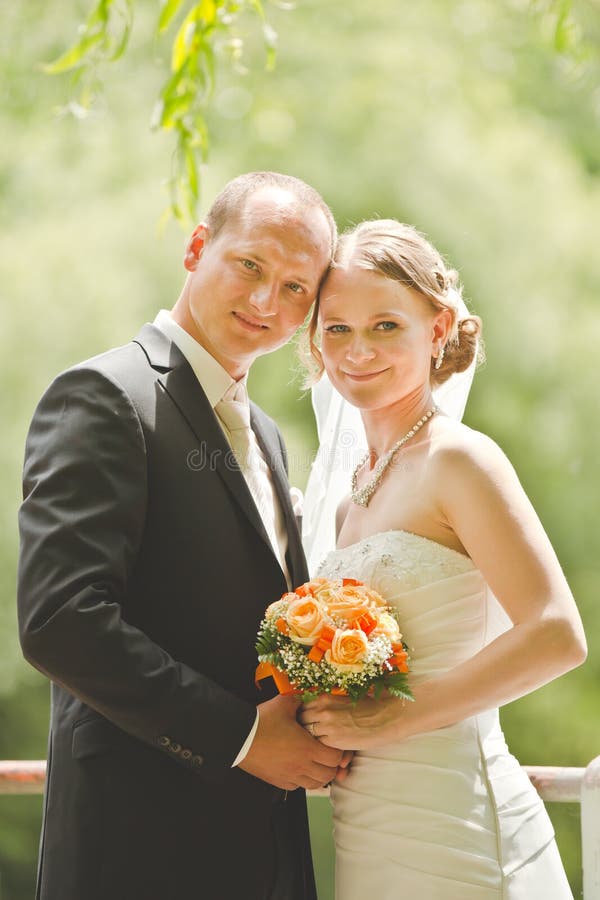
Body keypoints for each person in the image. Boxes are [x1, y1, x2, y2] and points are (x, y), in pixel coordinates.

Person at [17, 171, 350, 900]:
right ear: (199, 247)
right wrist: (245, 737)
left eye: (297, 288)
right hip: (139, 847)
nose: (267, 302)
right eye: (251, 266)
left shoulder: (264, 434)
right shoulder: (106, 397)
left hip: (261, 849)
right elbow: (61, 623)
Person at [298, 219, 587, 898]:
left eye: (386, 326)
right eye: (336, 329)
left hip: (457, 822)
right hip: (369, 824)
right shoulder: (349, 498)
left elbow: (556, 634)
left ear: (436, 329)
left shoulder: (460, 460)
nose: (357, 350)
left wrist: (392, 715)